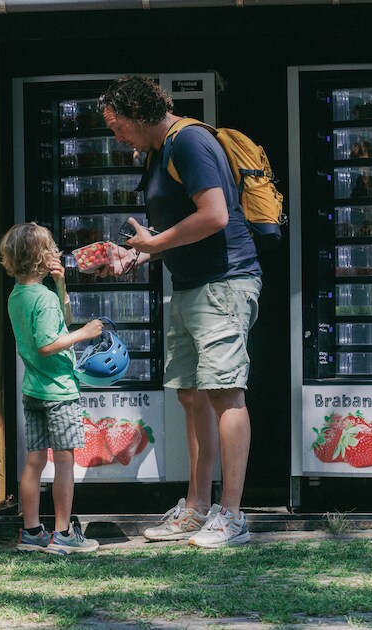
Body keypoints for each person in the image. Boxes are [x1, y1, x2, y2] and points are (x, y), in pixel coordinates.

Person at [97, 75, 261, 548]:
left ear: (140, 113)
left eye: (118, 126)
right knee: (191, 395)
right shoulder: (157, 150)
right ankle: (196, 508)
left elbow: (214, 216)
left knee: (225, 392)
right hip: (189, 286)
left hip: (224, 284)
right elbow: (178, 226)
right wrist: (139, 254)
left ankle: (232, 515)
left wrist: (154, 243)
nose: (117, 137)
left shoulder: (188, 141)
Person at [1, 222, 103, 554]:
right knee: (63, 463)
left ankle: (32, 532)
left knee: (34, 462)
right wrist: (85, 335)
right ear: (43, 256)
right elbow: (50, 342)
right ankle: (63, 534)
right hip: (58, 390)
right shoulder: (41, 298)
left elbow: (62, 318)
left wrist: (61, 284)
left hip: (33, 389)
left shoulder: (19, 295)